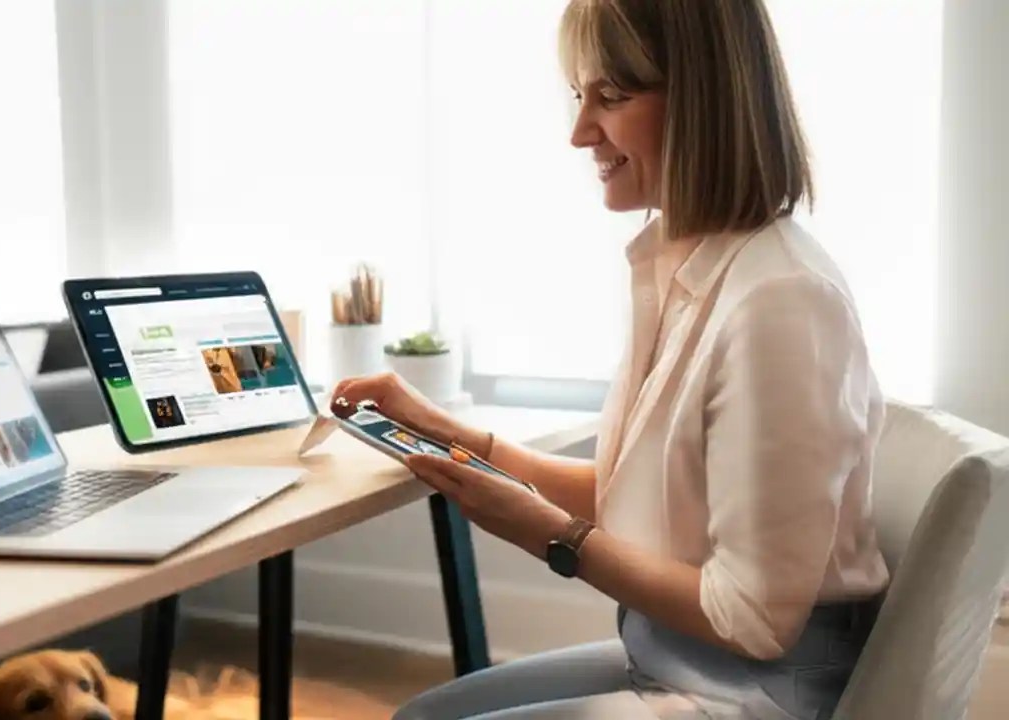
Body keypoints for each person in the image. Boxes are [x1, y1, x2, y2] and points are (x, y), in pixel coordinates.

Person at [331, 1, 890, 718]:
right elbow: (654, 500)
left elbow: (752, 617)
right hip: (675, 656)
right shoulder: (687, 266)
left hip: (763, 690)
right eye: (578, 94)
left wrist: (549, 534)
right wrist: (460, 441)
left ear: (704, 102)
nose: (578, 132)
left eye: (612, 97)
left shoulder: (780, 301)